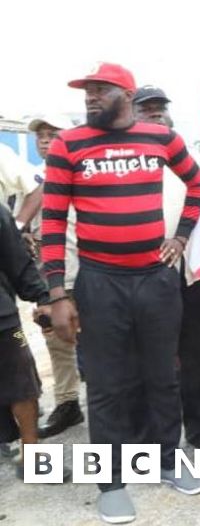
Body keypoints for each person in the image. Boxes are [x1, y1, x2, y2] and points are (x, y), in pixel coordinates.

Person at [42, 62, 200, 523]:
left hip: (155, 278)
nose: (90, 96)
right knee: (106, 383)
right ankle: (111, 482)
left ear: (127, 94)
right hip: (100, 282)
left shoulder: (160, 138)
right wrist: (57, 293)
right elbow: (52, 220)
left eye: (101, 89)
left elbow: (198, 183)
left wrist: (181, 236)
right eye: (87, 90)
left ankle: (168, 460)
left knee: (163, 375)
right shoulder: (68, 144)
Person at [133, 85, 200, 450]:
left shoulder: (188, 158)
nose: (156, 114)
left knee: (198, 351)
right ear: (131, 116)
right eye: (146, 109)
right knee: (154, 356)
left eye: (161, 108)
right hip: (145, 272)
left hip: (190, 269)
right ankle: (160, 437)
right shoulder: (127, 161)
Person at [24, 115, 85, 440]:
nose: (45, 140)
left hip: (85, 273)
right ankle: (67, 402)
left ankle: (118, 404)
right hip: (50, 276)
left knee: (99, 340)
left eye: (52, 134)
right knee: (56, 342)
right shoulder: (32, 178)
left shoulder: (82, 172)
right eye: (41, 136)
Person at [0, 200, 57, 480]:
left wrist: (44, 298)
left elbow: (18, 262)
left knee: (24, 382)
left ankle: (32, 458)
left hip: (4, 322)